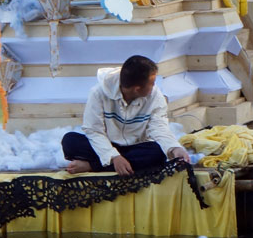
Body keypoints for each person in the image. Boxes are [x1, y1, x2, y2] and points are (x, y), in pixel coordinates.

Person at [62, 55, 190, 176]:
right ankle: (113, 163)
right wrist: (113, 157)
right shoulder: (98, 93)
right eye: (152, 83)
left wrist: (174, 148)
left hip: (136, 148)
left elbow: (159, 127)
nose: (154, 86)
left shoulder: (155, 96)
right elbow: (94, 130)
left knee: (157, 153)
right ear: (137, 89)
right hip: (107, 144)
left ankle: (92, 166)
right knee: (70, 141)